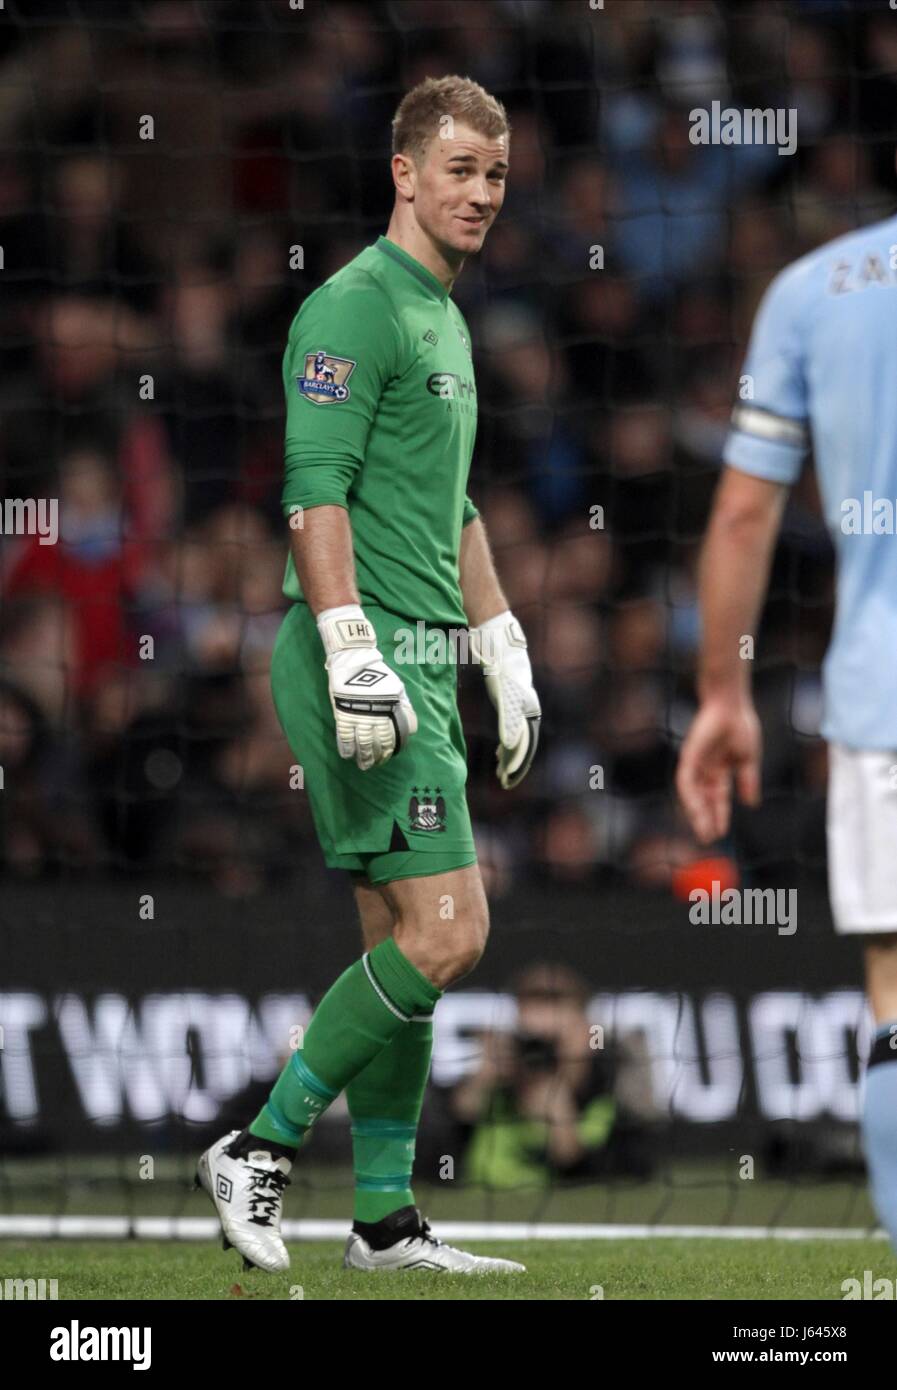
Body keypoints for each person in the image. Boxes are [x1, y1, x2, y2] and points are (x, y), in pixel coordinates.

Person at [196, 76, 541, 1275]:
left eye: (495, 175)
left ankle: (384, 1219)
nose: (481, 194)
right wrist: (350, 648)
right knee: (453, 931)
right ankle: (260, 1144)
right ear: (403, 172)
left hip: (425, 653)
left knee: (401, 940)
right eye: (459, 170)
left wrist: (501, 640)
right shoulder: (354, 307)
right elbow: (311, 492)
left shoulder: (446, 316)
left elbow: (448, 511)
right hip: (367, 650)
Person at [676, 195, 897, 1252]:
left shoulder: (815, 292)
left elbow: (742, 512)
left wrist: (725, 693)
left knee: (896, 1001)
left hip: (882, 701)